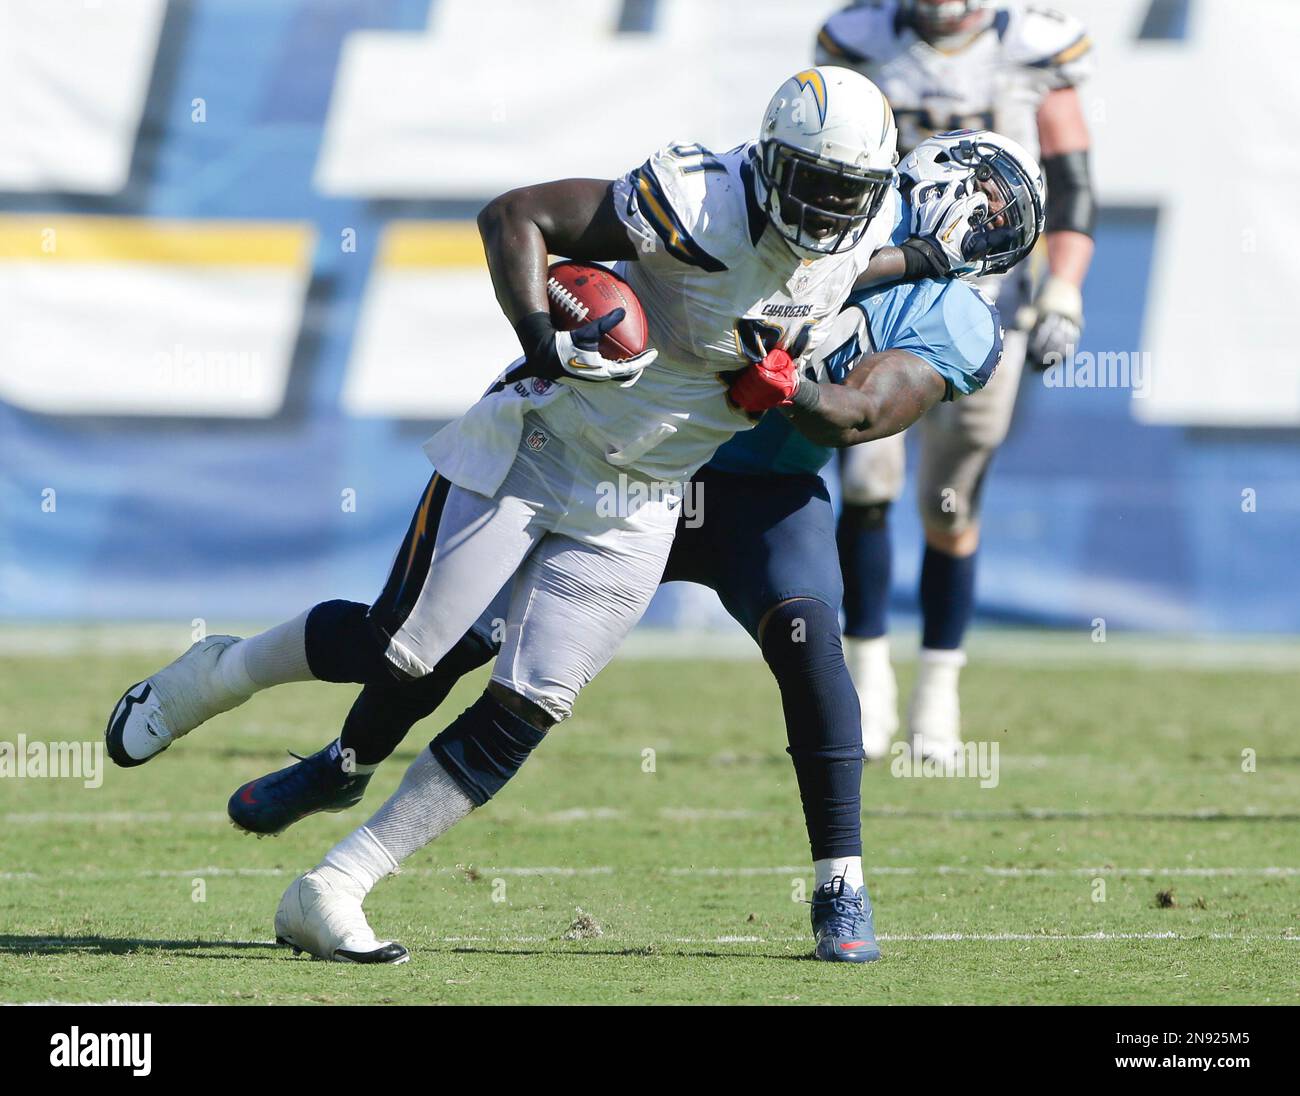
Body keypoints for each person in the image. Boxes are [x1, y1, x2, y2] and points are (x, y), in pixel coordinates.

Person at [107, 67, 982, 964]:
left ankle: (333, 887)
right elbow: (515, 215)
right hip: (540, 443)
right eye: (816, 185)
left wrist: (805, 375)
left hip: (642, 498)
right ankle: (216, 674)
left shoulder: (861, 241)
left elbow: (877, 299)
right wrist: (545, 339)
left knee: (530, 703)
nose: (831, 210)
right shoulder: (699, 196)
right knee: (402, 649)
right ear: (770, 163)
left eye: (851, 194)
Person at [816, 0, 1095, 764]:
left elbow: (1070, 182)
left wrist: (1064, 288)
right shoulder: (862, 38)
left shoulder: (1034, 46)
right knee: (867, 478)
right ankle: (866, 679)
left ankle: (938, 690)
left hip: (990, 306)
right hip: (885, 293)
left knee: (951, 504)